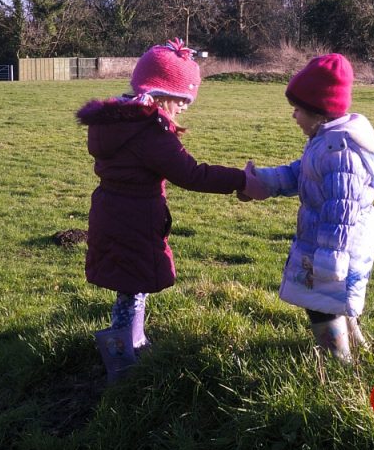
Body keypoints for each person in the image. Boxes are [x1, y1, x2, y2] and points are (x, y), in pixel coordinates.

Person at [76, 38, 266, 381]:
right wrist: (240, 180)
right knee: (133, 287)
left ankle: (132, 345)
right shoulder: (149, 130)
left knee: (130, 286)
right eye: (182, 101)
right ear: (164, 94)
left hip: (112, 211)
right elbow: (190, 173)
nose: (183, 109)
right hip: (134, 218)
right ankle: (124, 363)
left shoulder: (118, 121)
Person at [243, 53, 374, 361]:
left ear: (319, 112)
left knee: (321, 303)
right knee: (331, 301)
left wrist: (329, 262)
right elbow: (300, 173)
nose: (294, 117)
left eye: (297, 110)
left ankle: (338, 363)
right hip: (326, 243)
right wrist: (263, 181)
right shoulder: (325, 139)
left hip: (337, 246)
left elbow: (342, 211)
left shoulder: (340, 151)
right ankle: (357, 350)